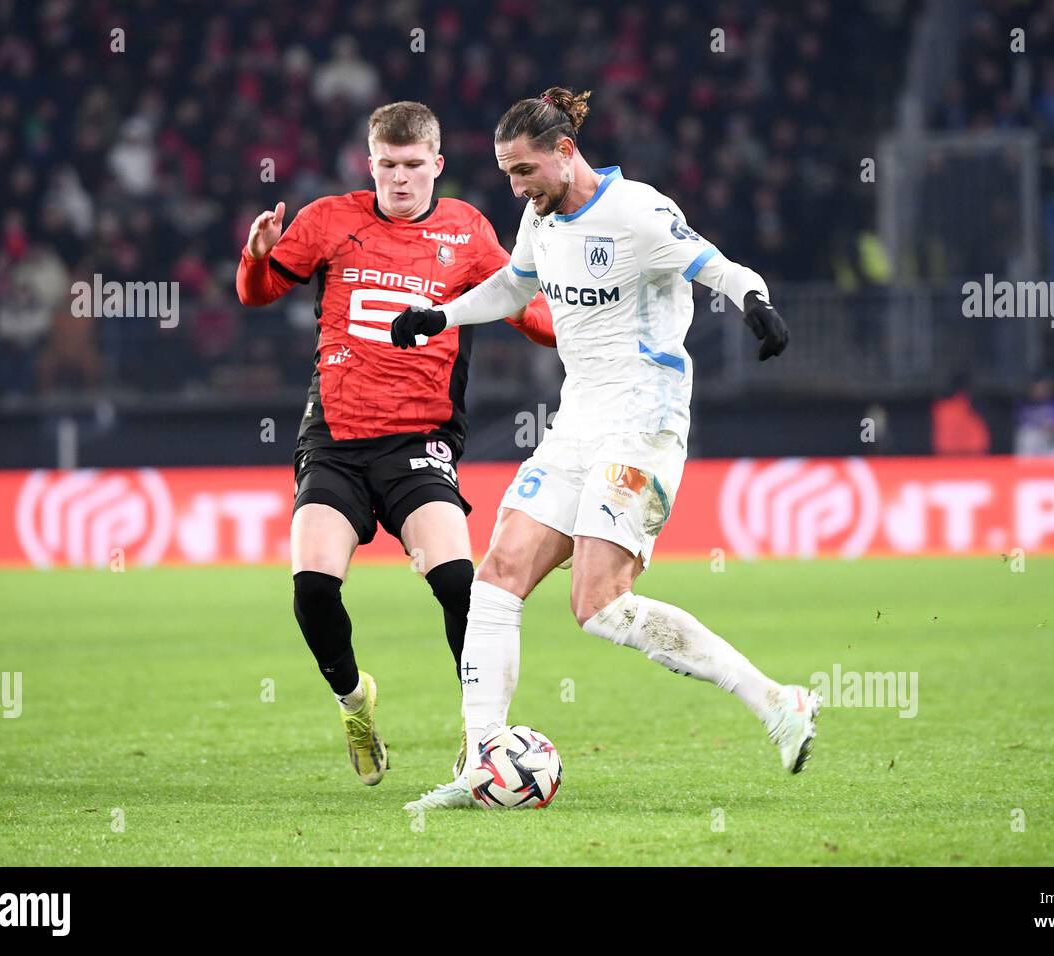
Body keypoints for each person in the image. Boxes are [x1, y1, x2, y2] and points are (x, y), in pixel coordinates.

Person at [391, 88, 818, 810]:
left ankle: (779, 701)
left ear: (565, 152)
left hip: (644, 420)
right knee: (496, 576)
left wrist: (756, 304)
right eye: (506, 174)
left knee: (598, 604)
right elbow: (513, 284)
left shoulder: (637, 212)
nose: (516, 188)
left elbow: (717, 266)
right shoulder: (539, 216)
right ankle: (481, 759)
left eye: (524, 170)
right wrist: (442, 314)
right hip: (578, 420)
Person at [236, 101, 555, 787]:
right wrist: (257, 255)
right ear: (370, 163)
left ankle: (482, 740)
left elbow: (520, 303)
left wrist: (585, 328)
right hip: (334, 441)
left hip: (420, 440)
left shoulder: (467, 230)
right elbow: (256, 293)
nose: (400, 179)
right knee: (314, 591)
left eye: (414, 166)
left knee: (460, 586)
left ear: (436, 165)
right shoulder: (327, 220)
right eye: (388, 166)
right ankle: (354, 704)